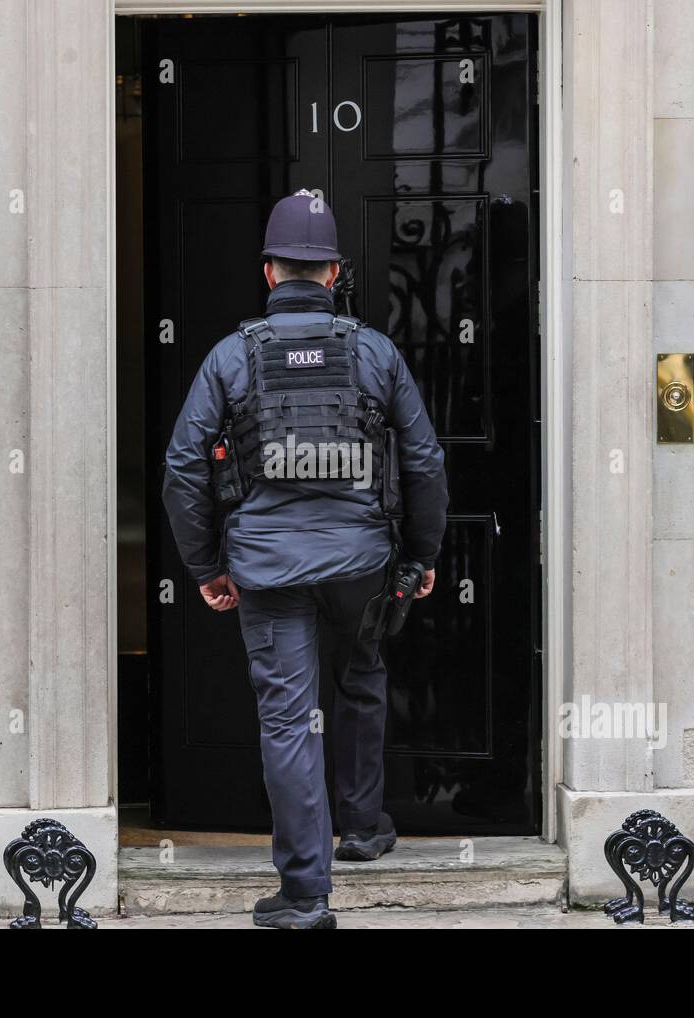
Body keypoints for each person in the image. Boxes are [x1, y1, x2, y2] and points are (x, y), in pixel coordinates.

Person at [161, 190, 448, 929]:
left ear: (268, 273)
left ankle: (304, 892)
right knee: (361, 679)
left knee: (288, 718)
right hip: (361, 561)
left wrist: (204, 567)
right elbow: (423, 461)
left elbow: (184, 468)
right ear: (333, 274)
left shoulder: (233, 356)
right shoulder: (374, 352)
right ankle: (362, 826)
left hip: (267, 566)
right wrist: (421, 554)